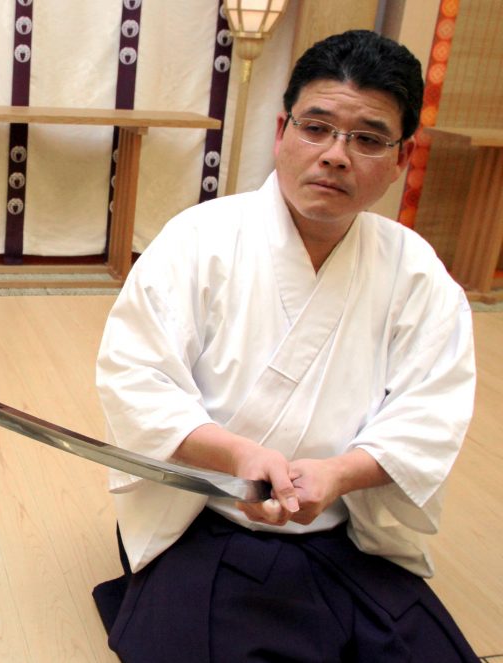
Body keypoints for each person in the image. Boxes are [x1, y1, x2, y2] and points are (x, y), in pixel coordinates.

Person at [93, 30, 479, 662]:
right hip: (209, 514)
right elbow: (135, 379)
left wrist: (338, 474)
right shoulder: (199, 239)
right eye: (316, 127)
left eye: (368, 138)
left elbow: (430, 413)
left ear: (402, 156)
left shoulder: (416, 272)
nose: (335, 155)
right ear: (282, 130)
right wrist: (237, 454)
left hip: (348, 527)